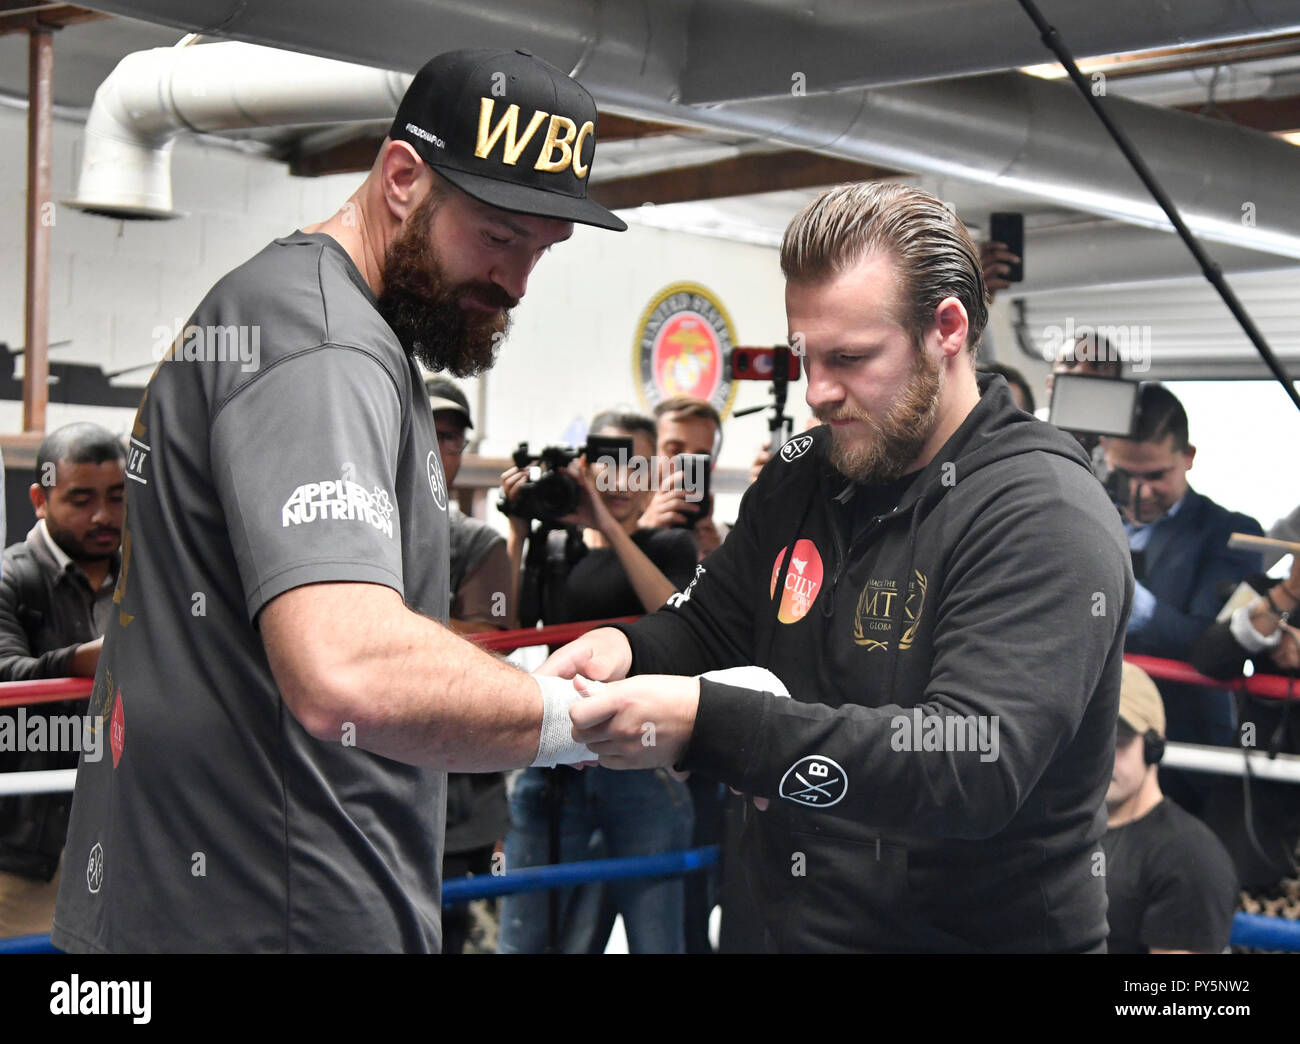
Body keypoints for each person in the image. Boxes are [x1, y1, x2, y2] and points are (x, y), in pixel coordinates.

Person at [52, 47, 626, 954]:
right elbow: (345, 670)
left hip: (213, 901)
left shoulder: (298, 311)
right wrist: (574, 722)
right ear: (402, 178)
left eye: (540, 252)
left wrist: (504, 684)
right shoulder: (324, 344)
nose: (515, 283)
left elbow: (339, 625)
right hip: (276, 910)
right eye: (499, 236)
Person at [541, 181, 1134, 953]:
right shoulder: (805, 473)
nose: (819, 391)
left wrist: (710, 724)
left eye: (850, 358)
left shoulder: (1042, 510)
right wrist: (628, 652)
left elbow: (970, 764)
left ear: (945, 329)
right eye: (805, 356)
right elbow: (714, 625)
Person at [497, 410, 697, 953]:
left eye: (634, 466)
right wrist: (520, 530)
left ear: (655, 472)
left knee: (656, 938)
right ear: (585, 467)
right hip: (558, 754)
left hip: (640, 759)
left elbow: (677, 612)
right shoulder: (558, 547)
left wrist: (607, 525)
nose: (619, 481)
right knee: (530, 934)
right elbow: (513, 629)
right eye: (606, 467)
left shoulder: (671, 547)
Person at [1100, 382, 1263, 815]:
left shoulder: (1233, 534)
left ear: (1188, 457)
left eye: (1156, 475)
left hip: (1183, 748)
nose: (1141, 492)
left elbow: (1211, 641)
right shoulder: (1084, 517)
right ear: (1104, 454)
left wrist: (1128, 600)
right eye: (1126, 475)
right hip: (1085, 739)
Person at [0, 424, 123, 938]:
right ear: (40, 498)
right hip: (27, 852)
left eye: (117, 497)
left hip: (123, 849)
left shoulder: (151, 581)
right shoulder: (12, 578)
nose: (103, 516)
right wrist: (84, 661)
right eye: (81, 499)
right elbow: (6, 677)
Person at [426, 376, 515, 954]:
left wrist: (375, 628)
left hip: (462, 801)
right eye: (425, 433)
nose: (437, 450)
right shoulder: (354, 528)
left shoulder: (478, 543)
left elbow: (488, 642)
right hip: (359, 785)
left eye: (451, 438)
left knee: (459, 939)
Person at [1101, 661, 1238, 954]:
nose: (1103, 758)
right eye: (1093, 741)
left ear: (1154, 748)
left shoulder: (1188, 854)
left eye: (1120, 742)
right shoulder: (1060, 831)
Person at [1191, 552, 1300, 892]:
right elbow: (1210, 657)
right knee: (1228, 889)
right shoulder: (1261, 589)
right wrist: (1289, 592)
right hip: (1257, 779)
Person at [638, 396, 727, 560]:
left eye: (701, 457)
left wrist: (715, 561)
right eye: (674, 451)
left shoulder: (722, 541)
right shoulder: (613, 526)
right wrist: (641, 535)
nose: (687, 465)